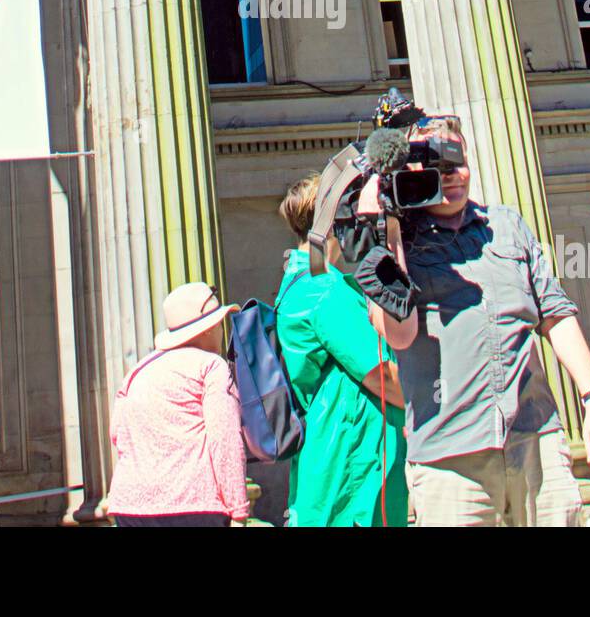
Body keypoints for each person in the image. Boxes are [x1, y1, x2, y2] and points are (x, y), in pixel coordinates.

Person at [359, 114, 590, 527]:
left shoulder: (507, 226)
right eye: (437, 167)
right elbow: (399, 334)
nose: (452, 176)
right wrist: (385, 229)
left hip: (536, 437)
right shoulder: (400, 240)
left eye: (457, 161)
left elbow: (555, 314)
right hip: (450, 454)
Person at [274, 174, 407, 527]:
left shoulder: (299, 282)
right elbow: (384, 375)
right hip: (352, 469)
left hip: (331, 462)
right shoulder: (324, 290)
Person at [104, 282, 250, 527]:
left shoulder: (137, 372)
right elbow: (225, 440)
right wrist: (239, 511)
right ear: (207, 329)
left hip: (130, 508)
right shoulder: (211, 367)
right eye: (219, 324)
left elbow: (118, 436)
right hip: (193, 506)